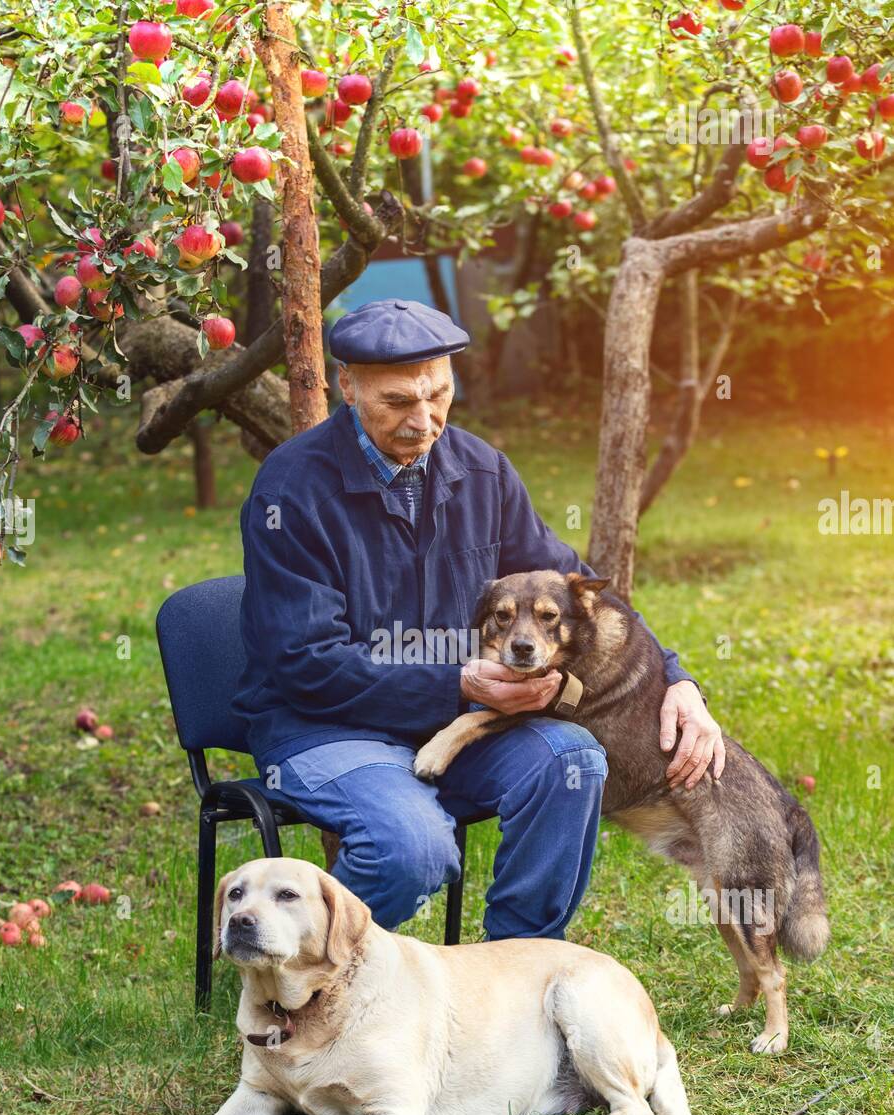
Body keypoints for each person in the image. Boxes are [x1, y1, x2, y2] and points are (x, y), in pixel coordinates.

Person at [233, 298, 724, 940]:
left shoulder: (481, 471)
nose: (425, 420)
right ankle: (301, 982)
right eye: (399, 401)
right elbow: (305, 663)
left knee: (571, 761)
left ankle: (513, 970)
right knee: (413, 850)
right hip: (322, 726)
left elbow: (575, 590)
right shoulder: (291, 490)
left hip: (453, 726)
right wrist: (458, 685)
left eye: (439, 394)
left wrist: (677, 679)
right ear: (347, 386)